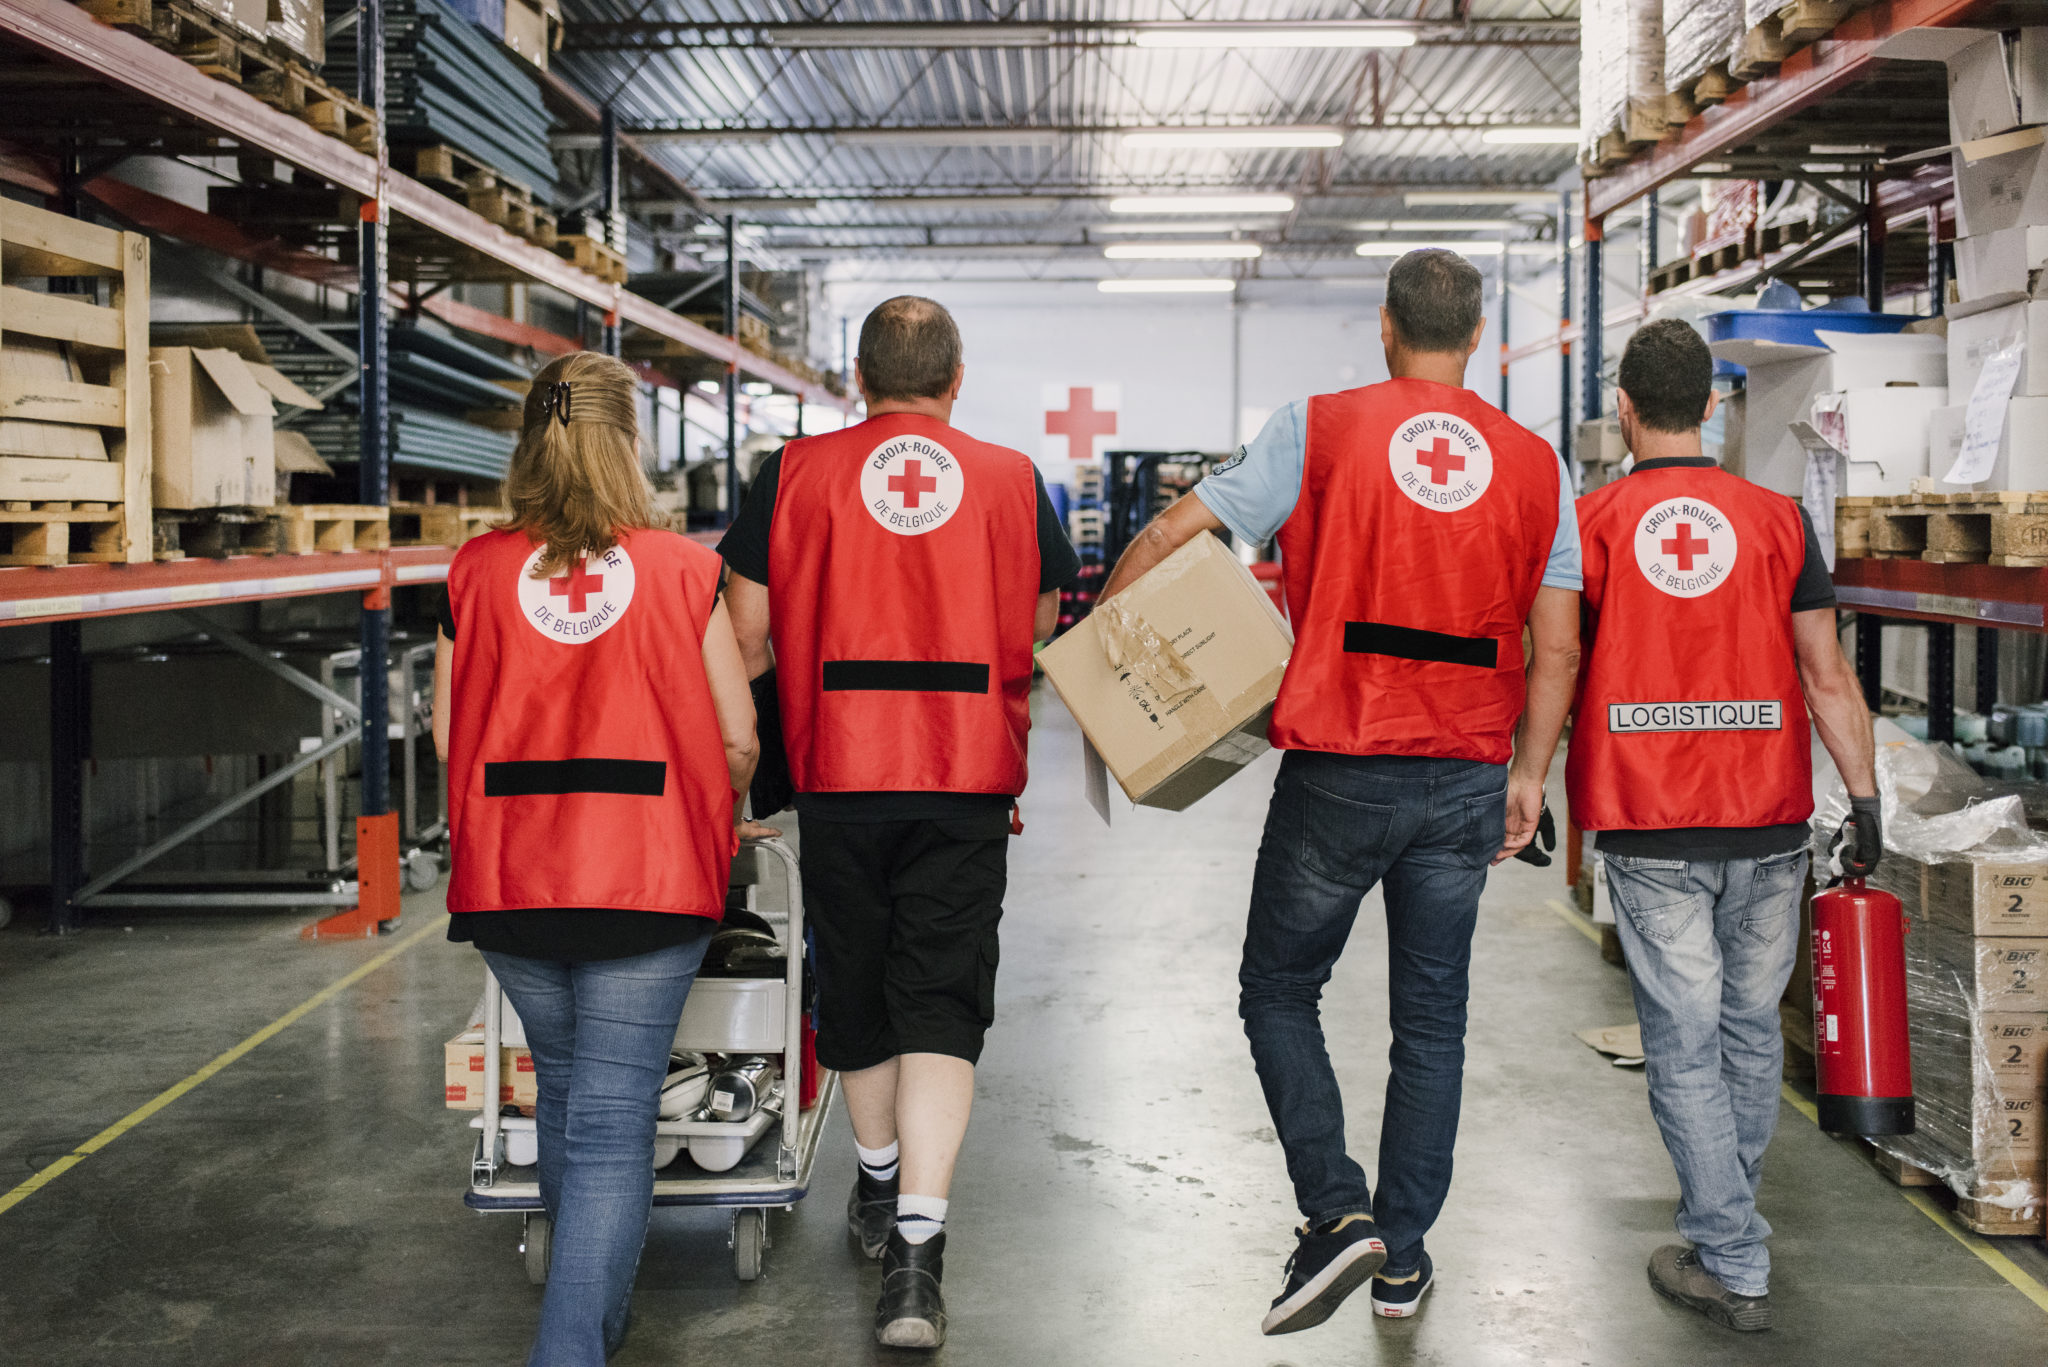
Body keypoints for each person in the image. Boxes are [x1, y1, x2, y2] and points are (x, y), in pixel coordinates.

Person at [1098, 248, 1583, 1334]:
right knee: (1432, 1024)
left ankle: (1335, 1211)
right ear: (1477, 336)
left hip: (1340, 767)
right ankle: (1401, 1259)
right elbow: (1555, 647)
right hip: (1464, 773)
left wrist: (1103, 670)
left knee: (1276, 990)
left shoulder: (1314, 426)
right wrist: (1529, 774)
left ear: (1382, 326)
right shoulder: (1537, 464)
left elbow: (1171, 534)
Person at [718, 296, 1080, 1349]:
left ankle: (876, 1184)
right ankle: (915, 1260)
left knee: (858, 981)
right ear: (955, 377)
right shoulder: (1013, 478)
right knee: (941, 994)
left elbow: (744, 636)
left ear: (857, 379)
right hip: (961, 778)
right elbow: (1037, 626)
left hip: (838, 772)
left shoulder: (789, 475)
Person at [433, 351, 762, 1366]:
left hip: (513, 882)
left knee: (571, 1095)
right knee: (615, 1118)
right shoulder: (683, 570)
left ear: (527, 441)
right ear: (631, 445)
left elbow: (453, 739)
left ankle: (592, 1318)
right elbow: (738, 737)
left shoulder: (473, 571)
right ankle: (569, 1348)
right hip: (647, 877)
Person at [1565, 319, 1880, 1332]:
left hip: (1648, 817)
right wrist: (1864, 799)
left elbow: (1557, 665)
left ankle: (1732, 1251)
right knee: (1744, 1034)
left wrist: (1524, 779)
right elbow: (1826, 678)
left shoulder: (1592, 522)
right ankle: (1721, 1225)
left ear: (1622, 408)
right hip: (1766, 818)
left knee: (1683, 1042)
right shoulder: (1781, 520)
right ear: (1710, 405)